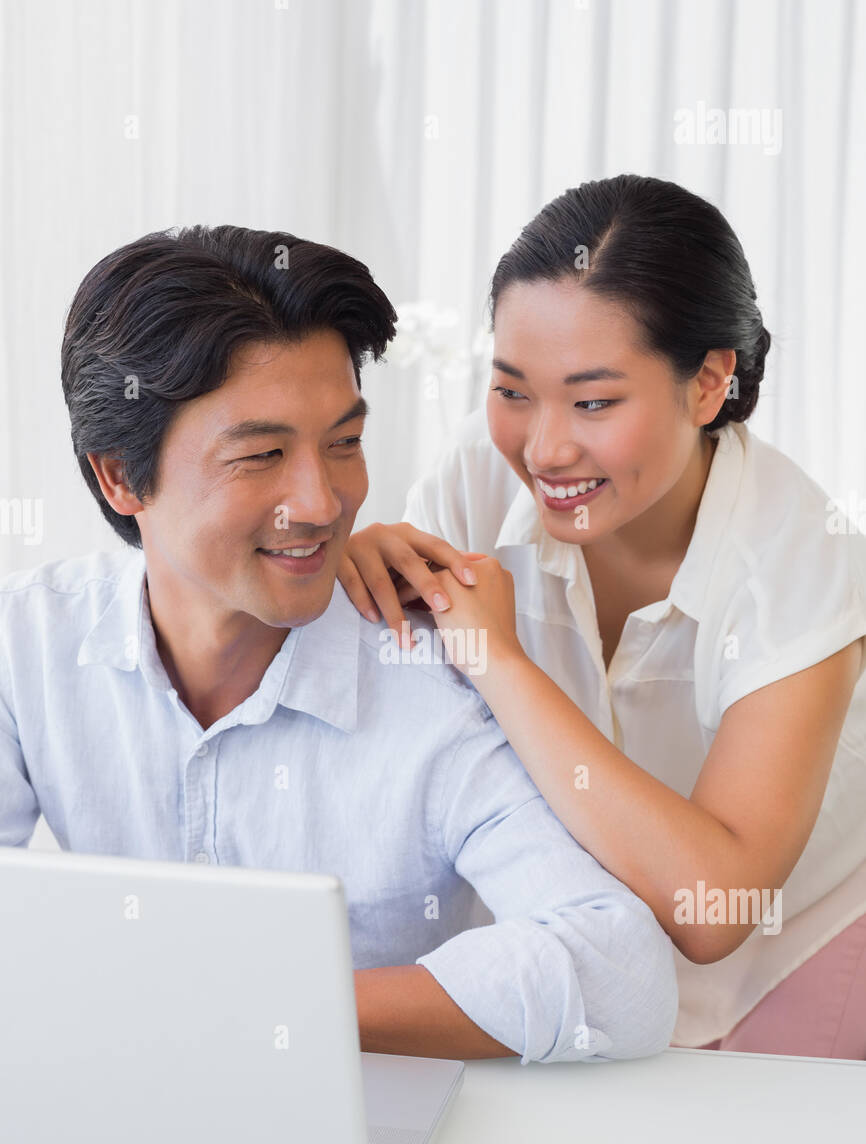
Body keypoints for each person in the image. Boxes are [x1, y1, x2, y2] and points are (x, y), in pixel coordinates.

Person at [0, 223, 678, 1067]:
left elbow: (623, 978)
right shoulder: (28, 645)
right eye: (261, 455)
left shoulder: (431, 676)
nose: (322, 501)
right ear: (119, 476)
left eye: (344, 444)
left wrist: (263, 1009)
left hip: (373, 1137)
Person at [338, 174, 866, 1059]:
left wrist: (498, 659)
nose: (544, 448)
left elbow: (716, 907)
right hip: (574, 953)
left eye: (593, 402)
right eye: (512, 390)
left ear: (707, 384)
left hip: (790, 956)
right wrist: (356, 579)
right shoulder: (480, 471)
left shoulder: (803, 559)